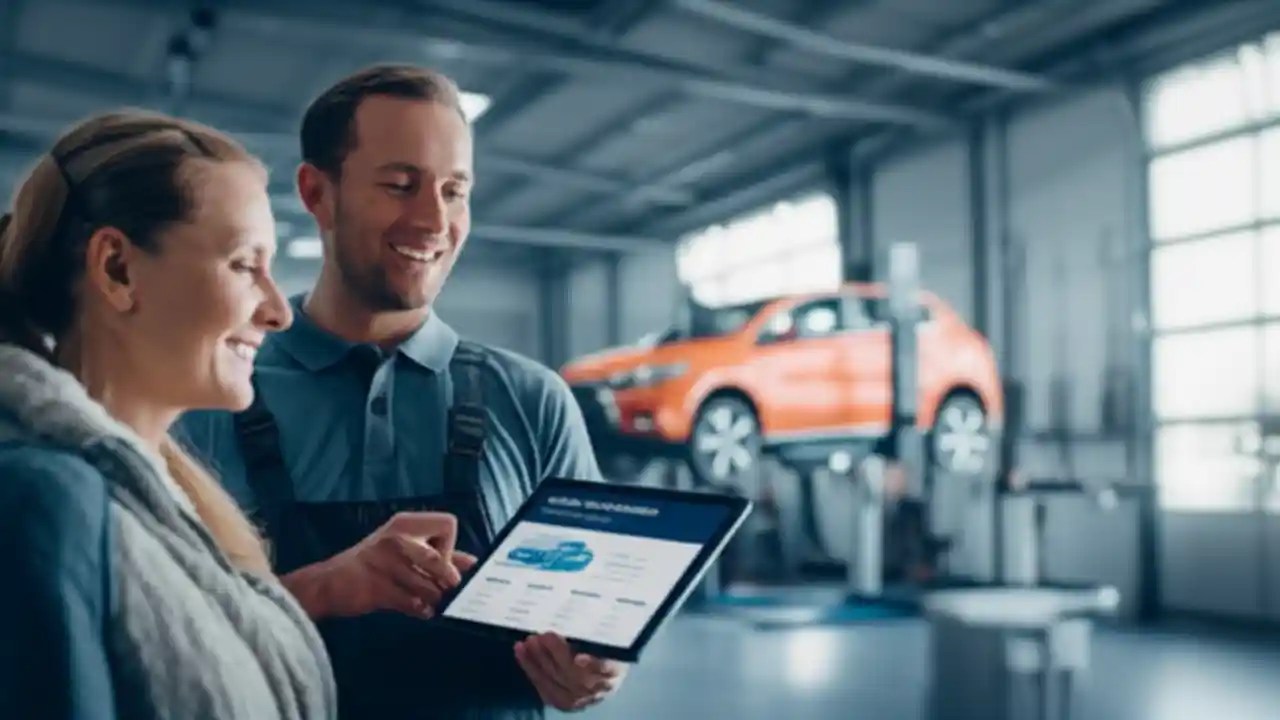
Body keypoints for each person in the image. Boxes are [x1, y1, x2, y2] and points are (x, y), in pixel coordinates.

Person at [176, 65, 627, 719]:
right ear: (317, 193)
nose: (433, 220)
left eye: (454, 191)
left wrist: (595, 667)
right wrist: (323, 588)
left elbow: (598, 613)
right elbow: (163, 640)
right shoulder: (208, 395)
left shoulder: (534, 403)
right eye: (400, 185)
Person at [0, 110, 351, 719]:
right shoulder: (43, 500)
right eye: (243, 265)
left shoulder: (173, 497)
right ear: (117, 268)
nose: (278, 311)